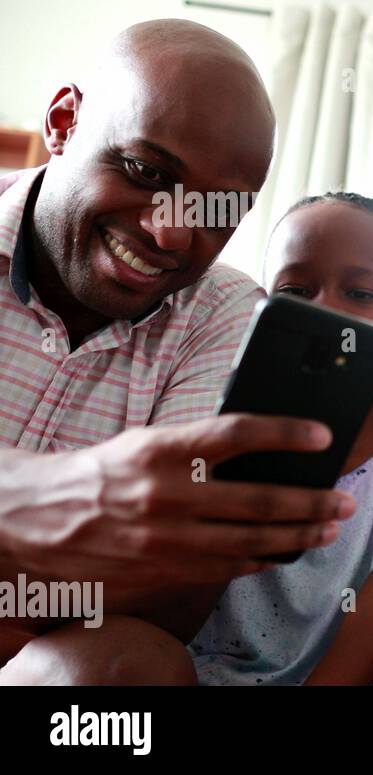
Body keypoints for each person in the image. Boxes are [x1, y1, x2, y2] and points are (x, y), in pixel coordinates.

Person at [0, 20, 353, 685]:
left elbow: (172, 594)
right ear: (64, 121)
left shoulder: (225, 315)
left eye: (221, 209)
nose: (173, 231)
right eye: (146, 171)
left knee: (133, 663)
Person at [188, 193, 373, 685]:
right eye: (297, 291)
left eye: (361, 294)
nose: (326, 313)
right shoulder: (207, 429)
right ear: (262, 311)